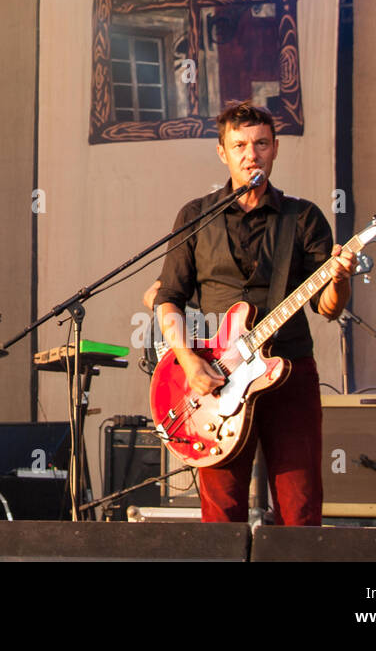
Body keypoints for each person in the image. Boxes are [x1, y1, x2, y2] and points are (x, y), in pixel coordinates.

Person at [152, 101, 353, 526]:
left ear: (275, 149)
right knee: (222, 515)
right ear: (222, 152)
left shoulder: (303, 217)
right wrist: (189, 363)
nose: (251, 154)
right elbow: (168, 297)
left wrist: (339, 279)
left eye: (261, 144)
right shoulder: (195, 216)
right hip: (217, 380)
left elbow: (329, 309)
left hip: (289, 372)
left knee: (300, 511)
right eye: (240, 144)